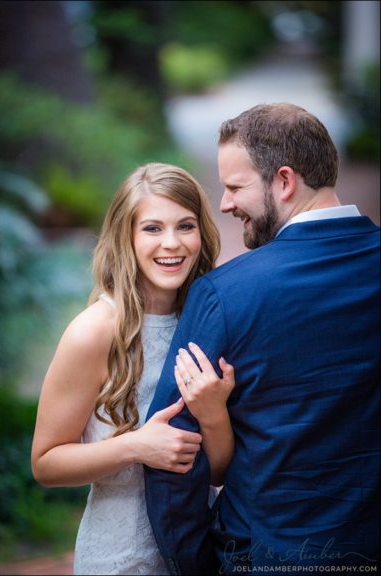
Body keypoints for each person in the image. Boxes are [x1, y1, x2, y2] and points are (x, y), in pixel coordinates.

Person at [144, 103, 380, 574]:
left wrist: (194, 565)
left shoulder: (225, 294)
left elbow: (173, 452)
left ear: (285, 182)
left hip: (268, 553)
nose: (226, 204)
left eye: (234, 187)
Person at [31, 163, 236, 575]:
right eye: (153, 229)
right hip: (118, 558)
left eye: (186, 226)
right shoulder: (93, 332)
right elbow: (45, 463)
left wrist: (214, 413)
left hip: (198, 551)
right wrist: (137, 446)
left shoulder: (209, 325)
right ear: (126, 236)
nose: (172, 244)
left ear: (202, 233)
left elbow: (219, 472)